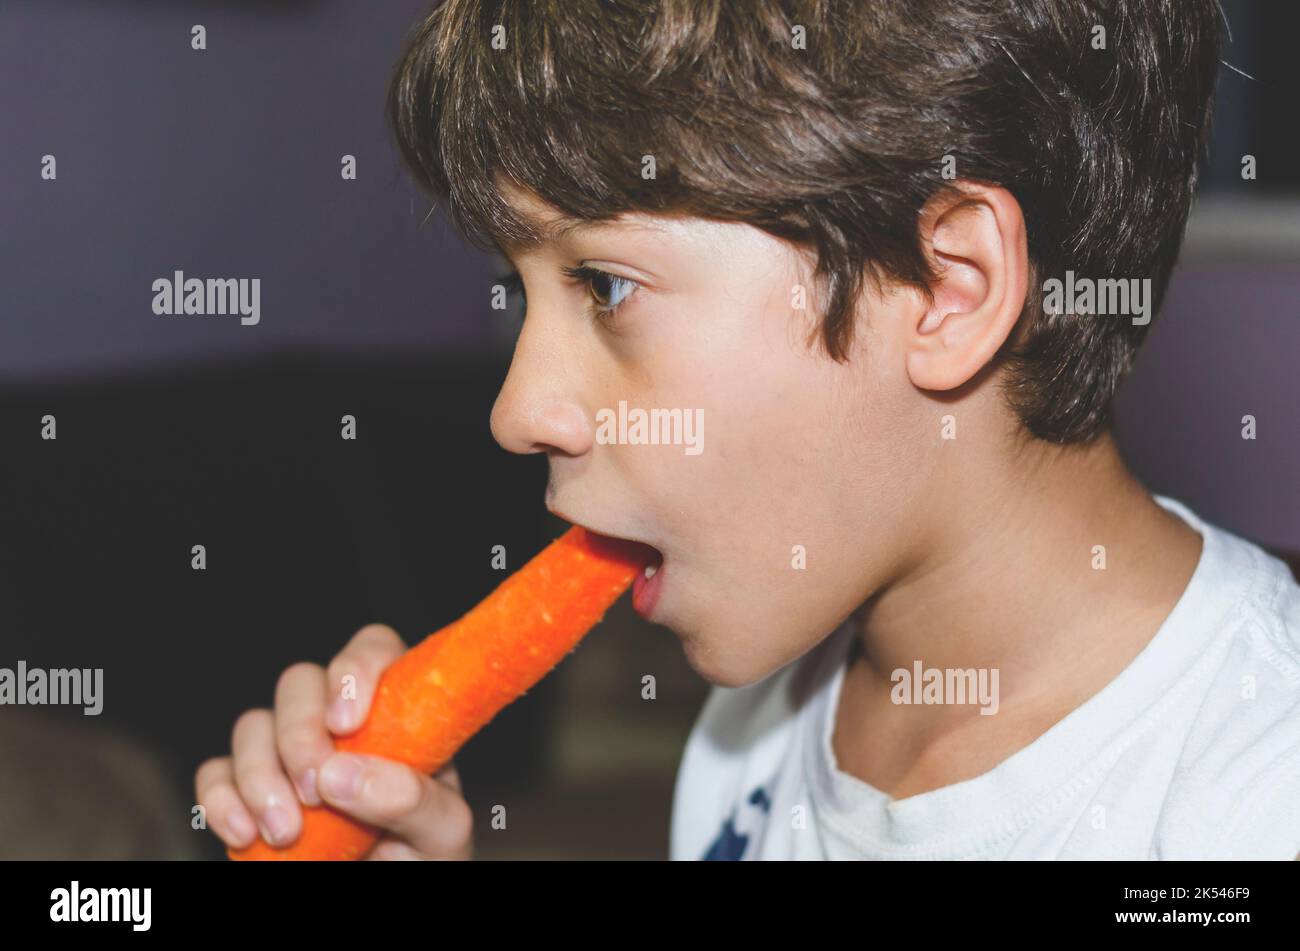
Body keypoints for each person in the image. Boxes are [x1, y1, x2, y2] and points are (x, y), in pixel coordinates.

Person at [196, 0, 1300, 859]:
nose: (517, 413)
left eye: (608, 287)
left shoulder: (1254, 795)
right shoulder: (750, 732)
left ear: (947, 288)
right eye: (515, 292)